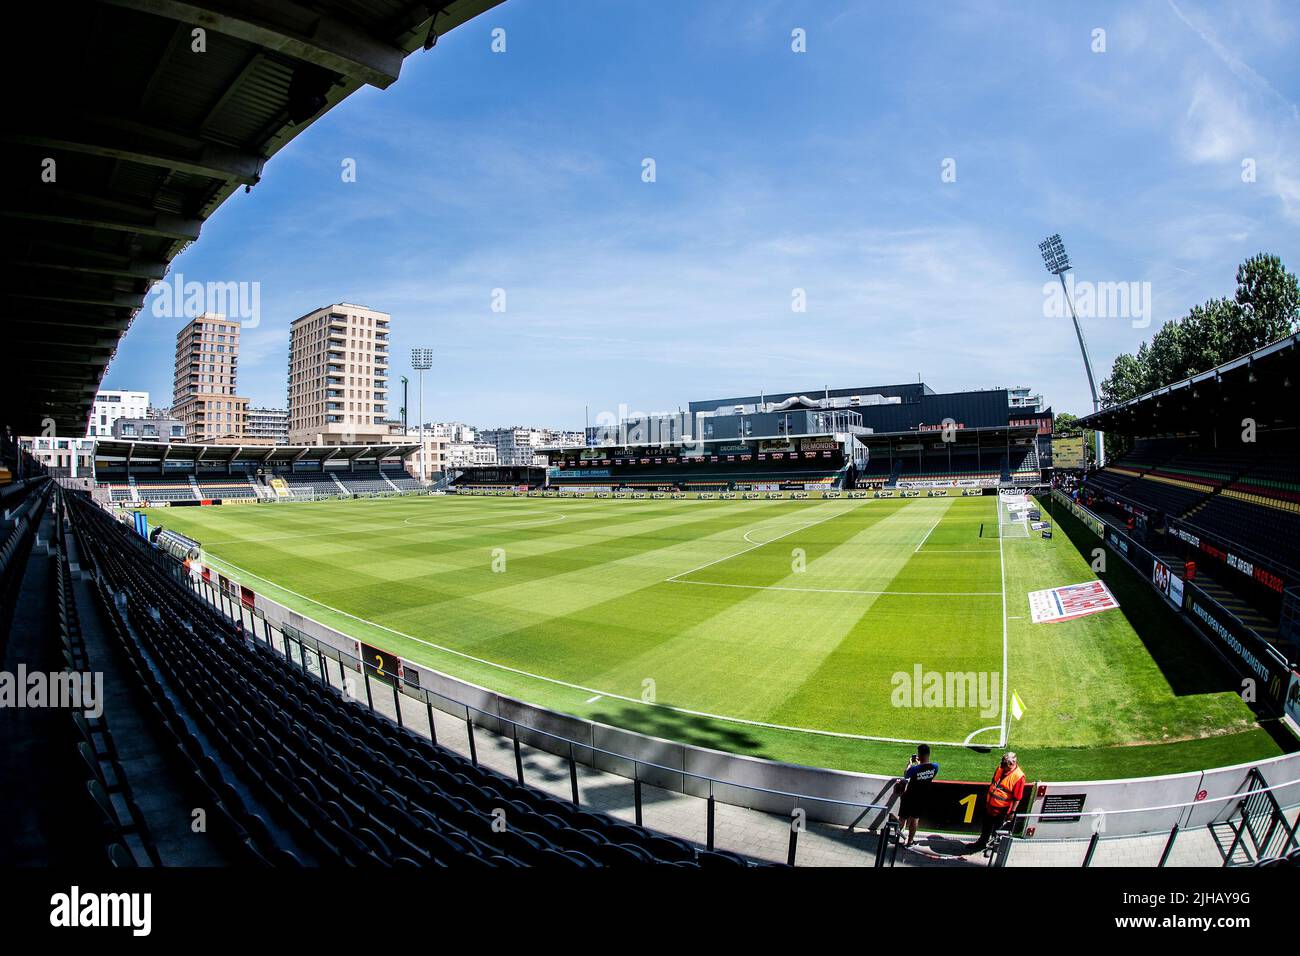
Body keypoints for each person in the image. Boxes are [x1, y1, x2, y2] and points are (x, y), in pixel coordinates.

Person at [971, 751, 1025, 851]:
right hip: (990, 805)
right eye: (1003, 762)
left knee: (997, 830)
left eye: (1005, 763)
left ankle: (993, 848)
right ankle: (982, 843)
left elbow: (1017, 798)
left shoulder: (1019, 777)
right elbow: (994, 782)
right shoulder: (1000, 767)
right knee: (986, 826)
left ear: (1012, 763)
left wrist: (1012, 812)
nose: (1002, 765)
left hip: (1002, 810)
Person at [898, 744, 939, 847]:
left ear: (919, 754)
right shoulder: (935, 767)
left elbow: (906, 774)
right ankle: (910, 841)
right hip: (921, 797)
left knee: (902, 818)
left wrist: (910, 763)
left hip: (909, 796)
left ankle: (897, 838)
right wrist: (920, 763)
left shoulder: (914, 769)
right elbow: (925, 769)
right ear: (929, 754)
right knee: (915, 819)